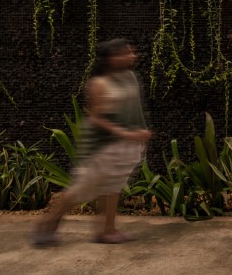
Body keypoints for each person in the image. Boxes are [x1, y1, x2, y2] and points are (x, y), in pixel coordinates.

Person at [33, 38, 152, 246]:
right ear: (111, 58)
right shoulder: (99, 83)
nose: (132, 56)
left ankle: (107, 231)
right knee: (80, 189)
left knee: (113, 186)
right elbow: (96, 118)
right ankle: (48, 225)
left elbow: (135, 110)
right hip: (100, 146)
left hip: (124, 145)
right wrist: (125, 133)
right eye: (125, 53)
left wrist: (139, 132)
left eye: (132, 52)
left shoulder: (130, 77)